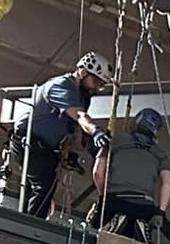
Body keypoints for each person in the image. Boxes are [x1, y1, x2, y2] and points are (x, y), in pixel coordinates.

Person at [16, 51, 111, 218]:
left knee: (37, 189)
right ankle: (30, 228)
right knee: (43, 186)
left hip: (45, 146)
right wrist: (95, 130)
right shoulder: (62, 86)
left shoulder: (83, 96)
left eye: (101, 85)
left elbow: (73, 127)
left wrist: (74, 152)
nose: (96, 88)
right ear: (82, 72)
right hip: (30, 141)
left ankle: (25, 222)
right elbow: (79, 116)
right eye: (95, 82)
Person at [91, 107, 170, 244]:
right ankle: (139, 225)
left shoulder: (114, 141)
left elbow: (98, 172)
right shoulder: (160, 153)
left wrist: (104, 196)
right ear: (155, 131)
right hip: (145, 206)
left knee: (97, 229)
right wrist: (160, 211)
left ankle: (112, 225)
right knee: (134, 232)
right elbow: (168, 182)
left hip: (116, 200)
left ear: (135, 122)